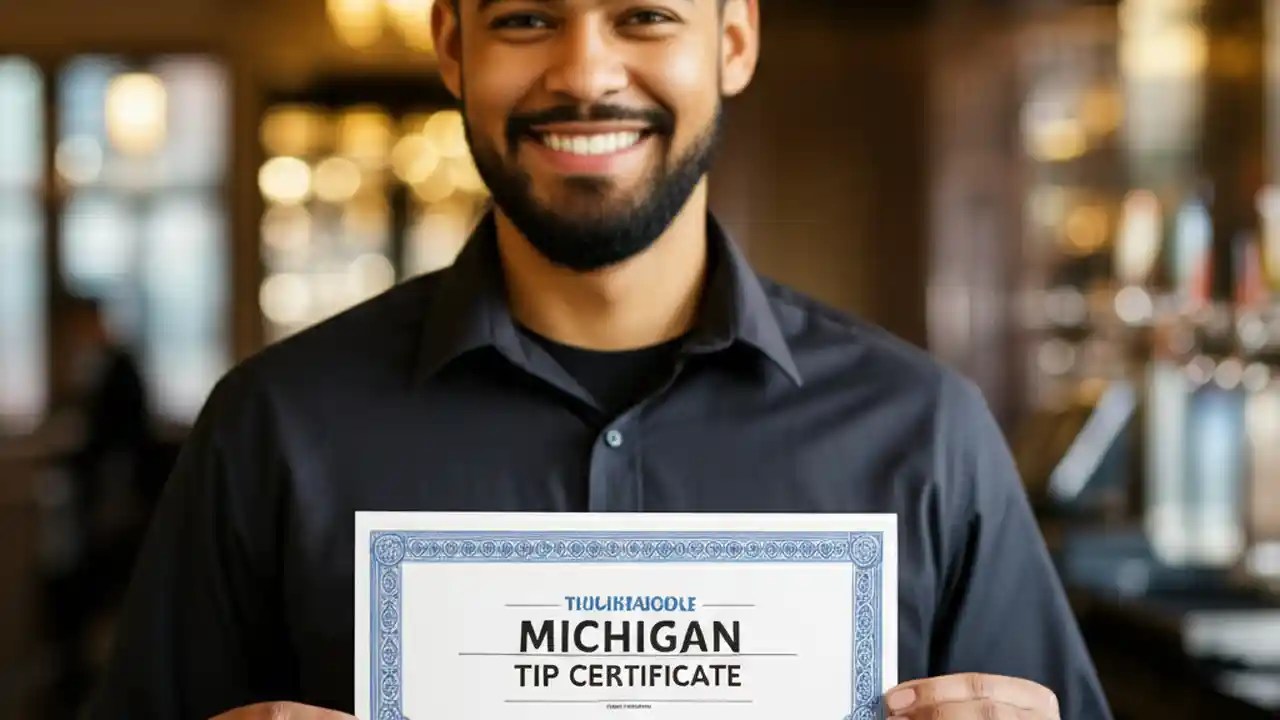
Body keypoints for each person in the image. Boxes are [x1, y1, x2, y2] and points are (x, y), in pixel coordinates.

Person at [90, 1, 1111, 718]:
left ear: (735, 39)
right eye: (526, 19)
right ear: (451, 44)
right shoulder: (274, 427)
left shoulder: (924, 432)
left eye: (644, 16)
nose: (582, 73)